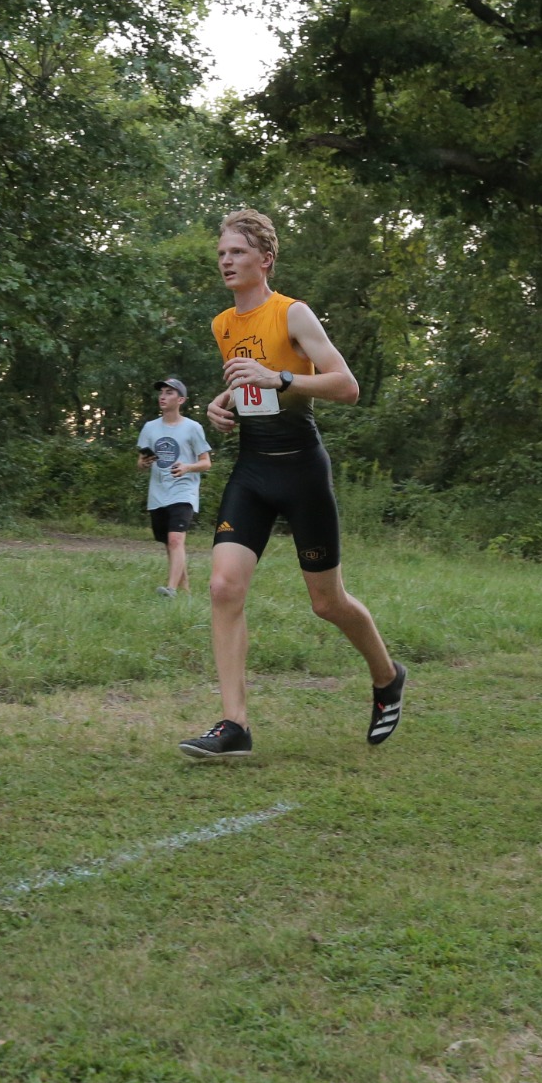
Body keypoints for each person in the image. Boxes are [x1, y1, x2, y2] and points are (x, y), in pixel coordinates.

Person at [178, 208, 407, 760]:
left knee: (327, 603)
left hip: (302, 467)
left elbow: (346, 386)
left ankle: (387, 677)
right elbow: (247, 384)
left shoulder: (293, 314)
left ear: (265, 259)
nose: (226, 261)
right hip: (252, 469)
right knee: (223, 586)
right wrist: (222, 404)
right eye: (221, 253)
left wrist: (281, 377)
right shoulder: (222, 324)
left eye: (236, 252)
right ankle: (234, 724)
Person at [136, 377, 212, 595]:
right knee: (170, 544)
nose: (162, 396)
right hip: (158, 493)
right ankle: (185, 589)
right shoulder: (149, 428)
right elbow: (140, 462)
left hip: (183, 490)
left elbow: (206, 462)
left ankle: (170, 589)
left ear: (181, 399)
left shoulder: (192, 428)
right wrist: (143, 462)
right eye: (161, 392)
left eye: (169, 392)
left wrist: (187, 467)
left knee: (176, 539)